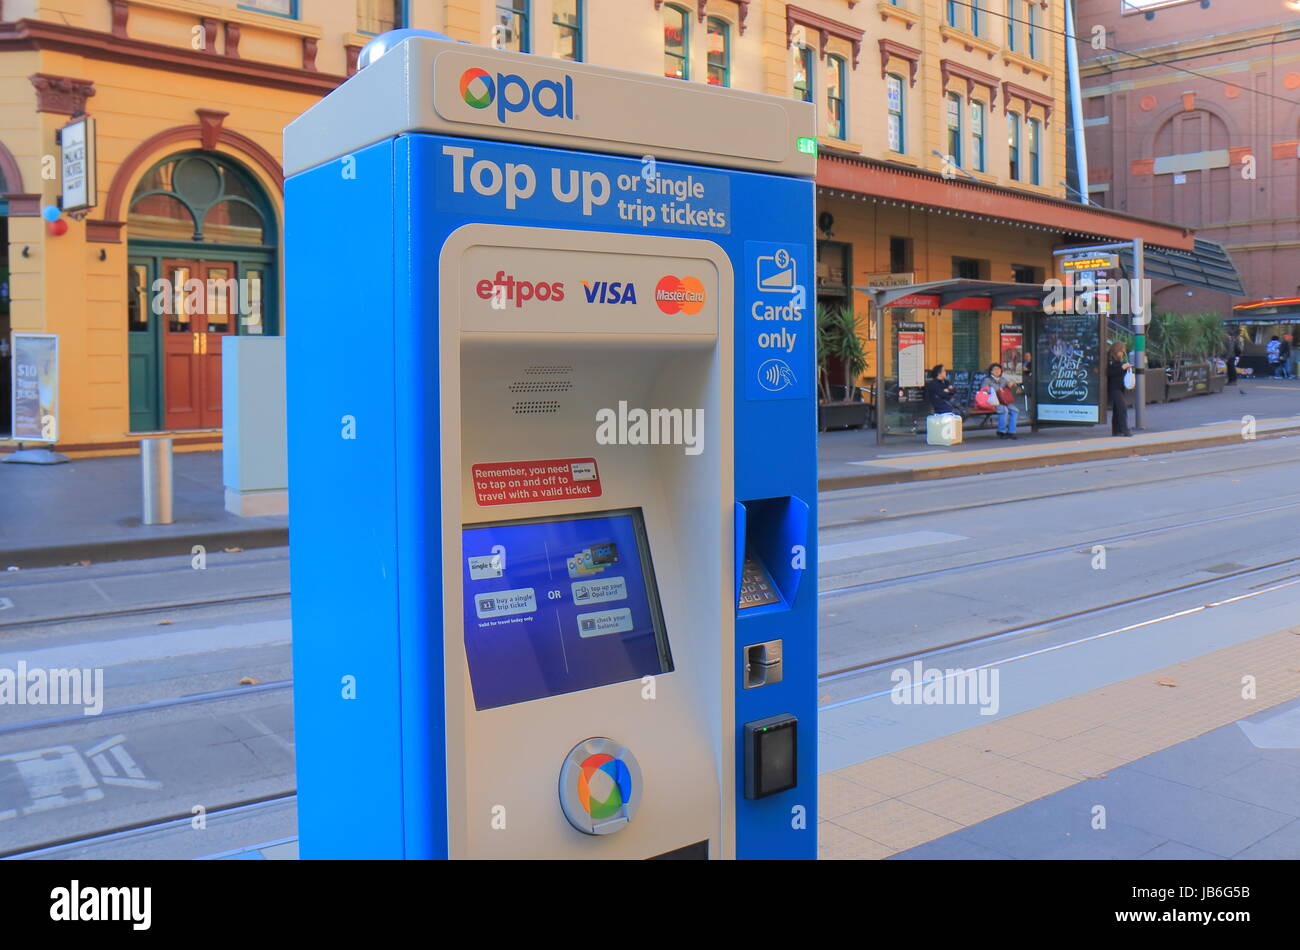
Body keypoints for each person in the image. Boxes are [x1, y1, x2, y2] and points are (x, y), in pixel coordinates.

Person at [981, 362, 1018, 440]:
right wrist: (995, 390)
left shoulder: (1003, 379)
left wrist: (1011, 385)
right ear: (991, 371)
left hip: (1003, 400)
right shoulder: (987, 380)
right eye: (995, 369)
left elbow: (1009, 387)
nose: (997, 371)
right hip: (992, 401)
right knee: (1004, 410)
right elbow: (983, 390)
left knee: (1015, 410)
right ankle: (1001, 431)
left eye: (999, 369)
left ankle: (1012, 432)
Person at [1107, 341, 1134, 437]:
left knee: (1117, 409)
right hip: (1114, 387)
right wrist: (1122, 368)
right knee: (1122, 407)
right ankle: (1124, 429)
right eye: (1121, 351)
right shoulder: (1109, 359)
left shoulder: (1116, 359)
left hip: (1119, 386)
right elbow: (1110, 372)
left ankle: (1116, 430)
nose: (1122, 354)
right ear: (1116, 350)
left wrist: (1125, 368)